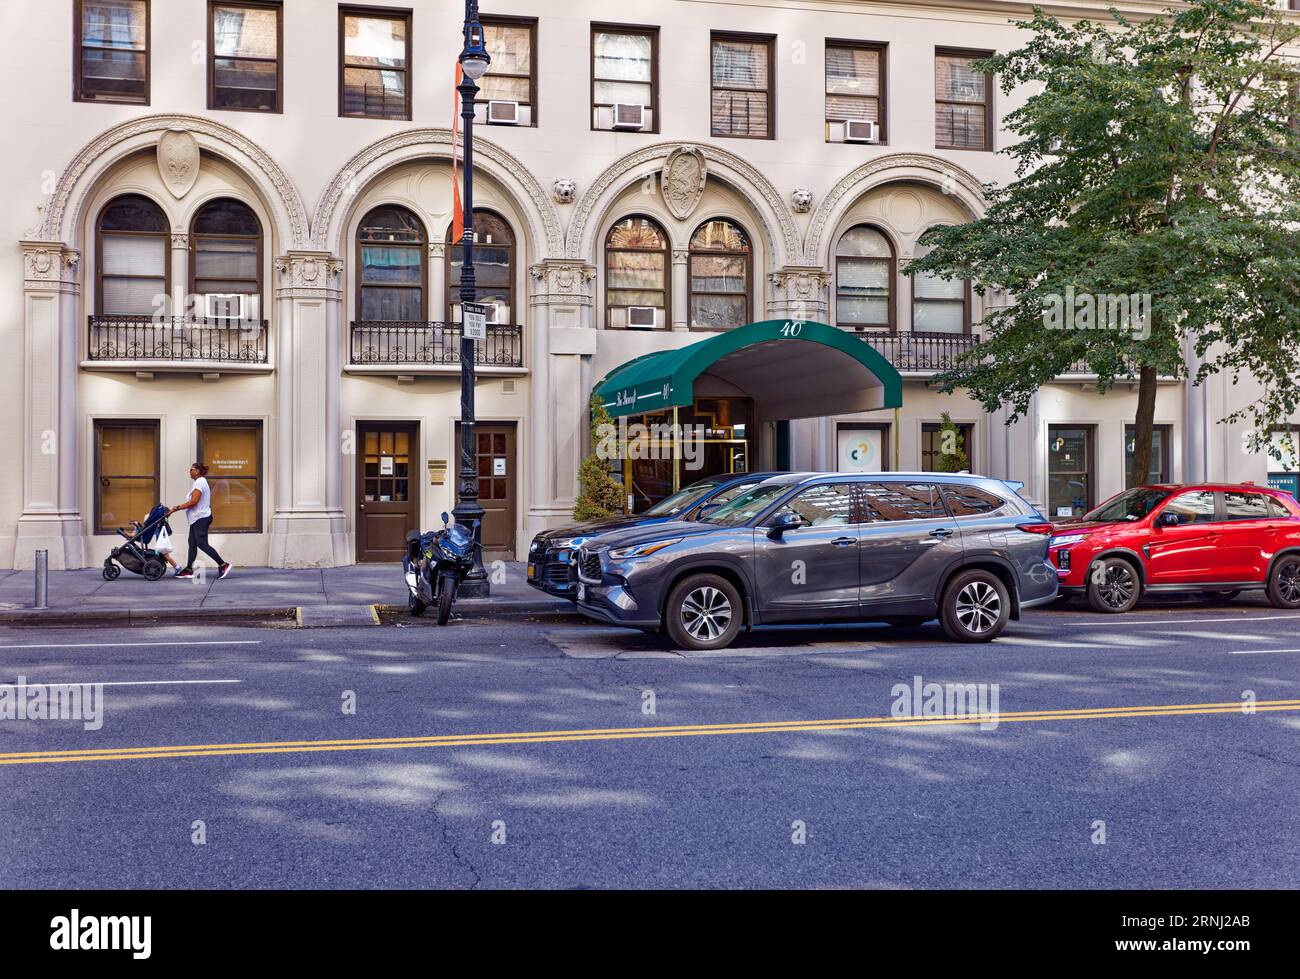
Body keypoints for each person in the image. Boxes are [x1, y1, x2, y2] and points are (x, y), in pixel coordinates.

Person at [168, 462, 232, 580]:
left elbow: (194, 502)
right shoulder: (199, 482)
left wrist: (176, 508)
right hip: (197, 519)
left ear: (197, 471)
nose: (189, 472)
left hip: (201, 518)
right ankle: (188, 569)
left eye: (191, 469)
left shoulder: (200, 482)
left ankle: (223, 565)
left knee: (202, 544)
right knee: (192, 543)